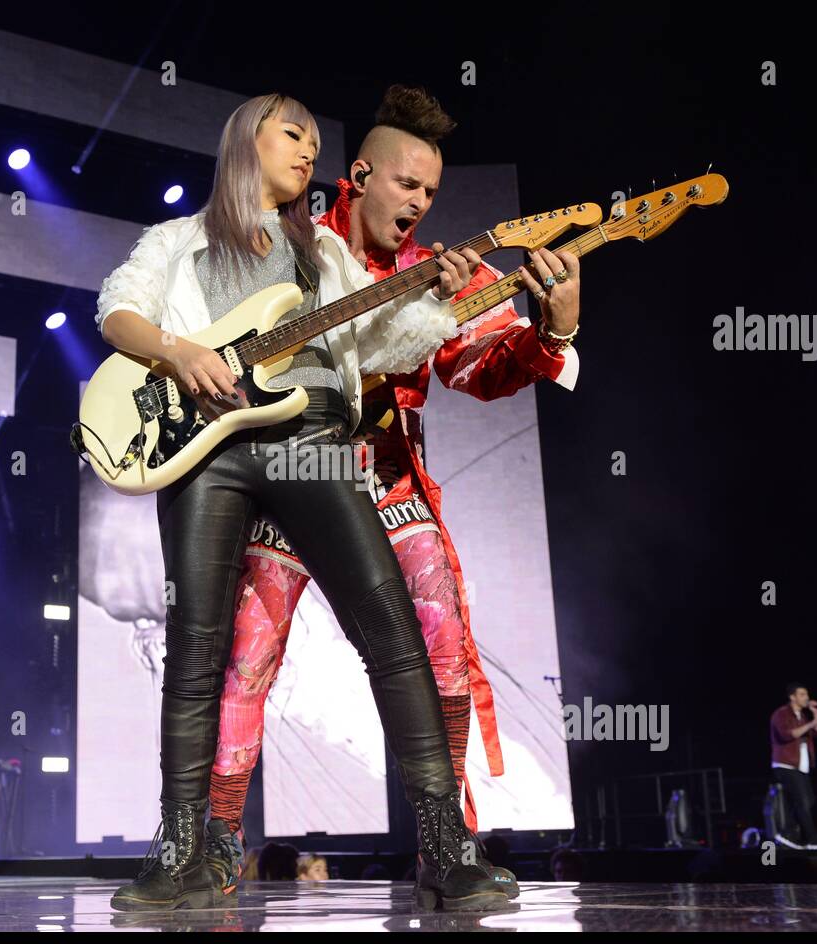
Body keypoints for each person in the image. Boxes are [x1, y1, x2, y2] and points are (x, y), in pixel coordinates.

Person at [95, 92, 509, 912]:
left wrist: (438, 301)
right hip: (208, 450)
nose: (308, 153)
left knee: (393, 631)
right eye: (295, 135)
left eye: (317, 143)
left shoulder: (320, 248)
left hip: (314, 444)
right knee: (198, 648)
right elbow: (117, 310)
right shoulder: (178, 240)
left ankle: (444, 844)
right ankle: (180, 845)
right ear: (247, 137)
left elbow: (383, 340)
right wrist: (177, 351)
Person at [205, 86, 581, 895]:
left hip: (381, 476)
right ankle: (214, 845)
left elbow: (477, 366)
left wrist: (551, 328)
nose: (419, 203)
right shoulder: (291, 243)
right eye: (407, 184)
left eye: (431, 193)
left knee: (441, 629)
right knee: (246, 661)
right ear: (362, 173)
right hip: (297, 478)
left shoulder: (432, 272)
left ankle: (447, 846)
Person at [770, 684, 817, 850]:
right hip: (785, 764)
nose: (806, 697)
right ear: (792, 697)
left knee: (808, 801)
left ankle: (787, 833)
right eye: (802, 694)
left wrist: (815, 715)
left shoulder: (803, 716)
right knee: (803, 802)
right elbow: (787, 735)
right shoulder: (781, 713)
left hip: (801, 766)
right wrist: (811, 723)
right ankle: (813, 840)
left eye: (806, 694)